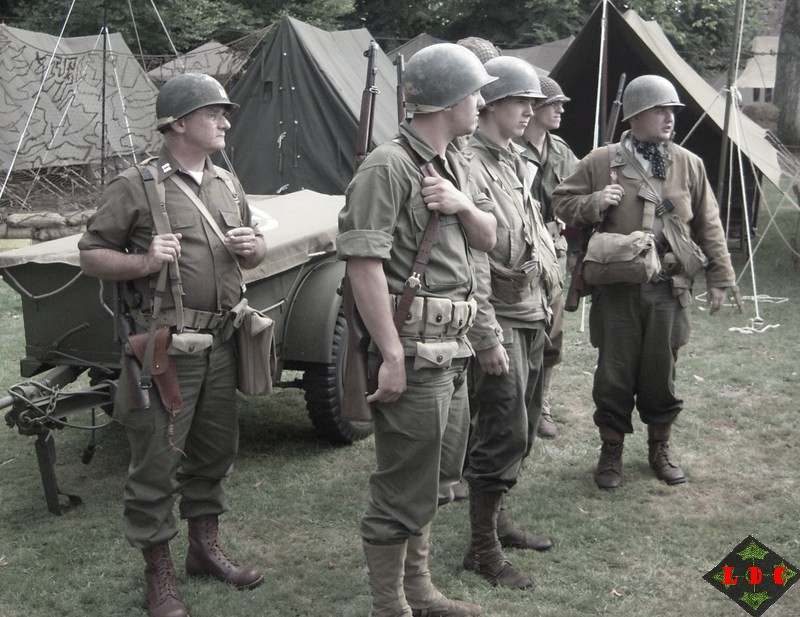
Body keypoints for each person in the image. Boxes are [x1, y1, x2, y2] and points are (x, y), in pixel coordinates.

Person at [78, 73, 266, 617]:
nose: (225, 122)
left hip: (223, 341)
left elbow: (250, 255)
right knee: (157, 461)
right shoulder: (135, 185)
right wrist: (144, 260)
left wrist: (252, 248)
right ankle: (158, 574)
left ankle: (205, 551)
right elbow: (91, 255)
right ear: (178, 123)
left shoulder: (227, 183)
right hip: (166, 350)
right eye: (214, 114)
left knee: (214, 453)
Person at [337, 43, 498, 617]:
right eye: (475, 93)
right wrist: (391, 354)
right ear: (450, 99)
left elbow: (489, 238)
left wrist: (459, 204)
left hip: (451, 349)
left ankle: (420, 590)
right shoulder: (388, 166)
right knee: (402, 485)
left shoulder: (451, 163)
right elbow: (363, 265)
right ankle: (391, 605)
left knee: (431, 479)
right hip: (414, 348)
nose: (482, 103)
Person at [552, 74, 736, 490]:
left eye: (672, 111)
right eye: (660, 110)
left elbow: (709, 223)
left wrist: (720, 276)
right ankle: (611, 450)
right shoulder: (602, 160)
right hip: (616, 289)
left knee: (661, 373)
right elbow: (560, 201)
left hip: (668, 290)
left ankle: (660, 447)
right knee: (613, 374)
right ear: (635, 115)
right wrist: (595, 202)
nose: (669, 117)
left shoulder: (690, 164)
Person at [462, 56, 562, 591]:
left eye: (533, 103)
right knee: (501, 433)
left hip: (530, 310)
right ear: (492, 104)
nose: (531, 110)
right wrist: (485, 335)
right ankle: (482, 548)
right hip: (500, 316)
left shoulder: (511, 160)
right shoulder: (471, 164)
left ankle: (496, 524)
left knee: (520, 429)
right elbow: (474, 259)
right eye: (521, 101)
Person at [518, 76, 579, 439]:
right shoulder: (509, 147)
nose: (560, 109)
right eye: (553, 103)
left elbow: (579, 190)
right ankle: (517, 405)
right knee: (520, 332)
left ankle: (541, 405)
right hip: (521, 252)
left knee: (552, 335)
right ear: (535, 107)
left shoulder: (561, 151)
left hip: (553, 252)